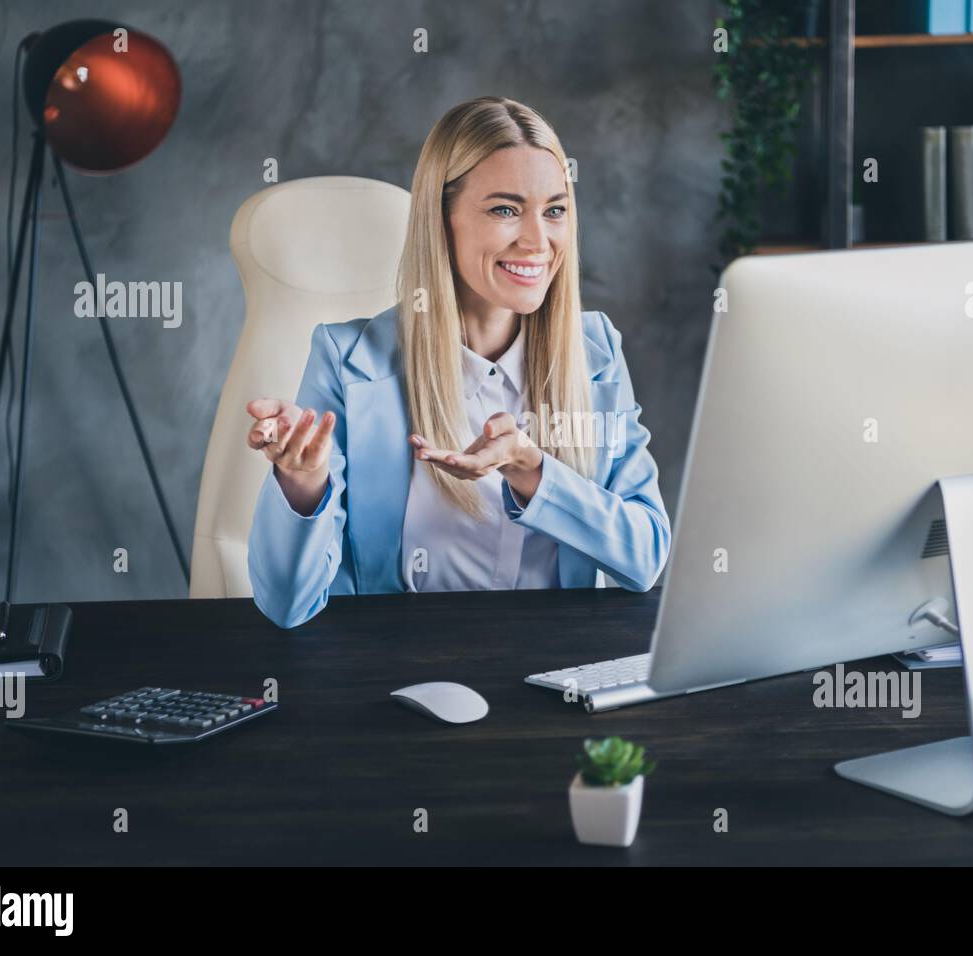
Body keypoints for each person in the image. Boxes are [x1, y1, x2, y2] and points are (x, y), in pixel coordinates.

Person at [245, 96, 670, 628]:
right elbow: (286, 607)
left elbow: (646, 558)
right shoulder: (350, 362)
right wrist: (303, 486)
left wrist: (533, 472)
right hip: (395, 673)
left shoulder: (597, 353)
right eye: (505, 209)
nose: (538, 241)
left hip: (552, 675)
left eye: (555, 210)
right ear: (441, 220)